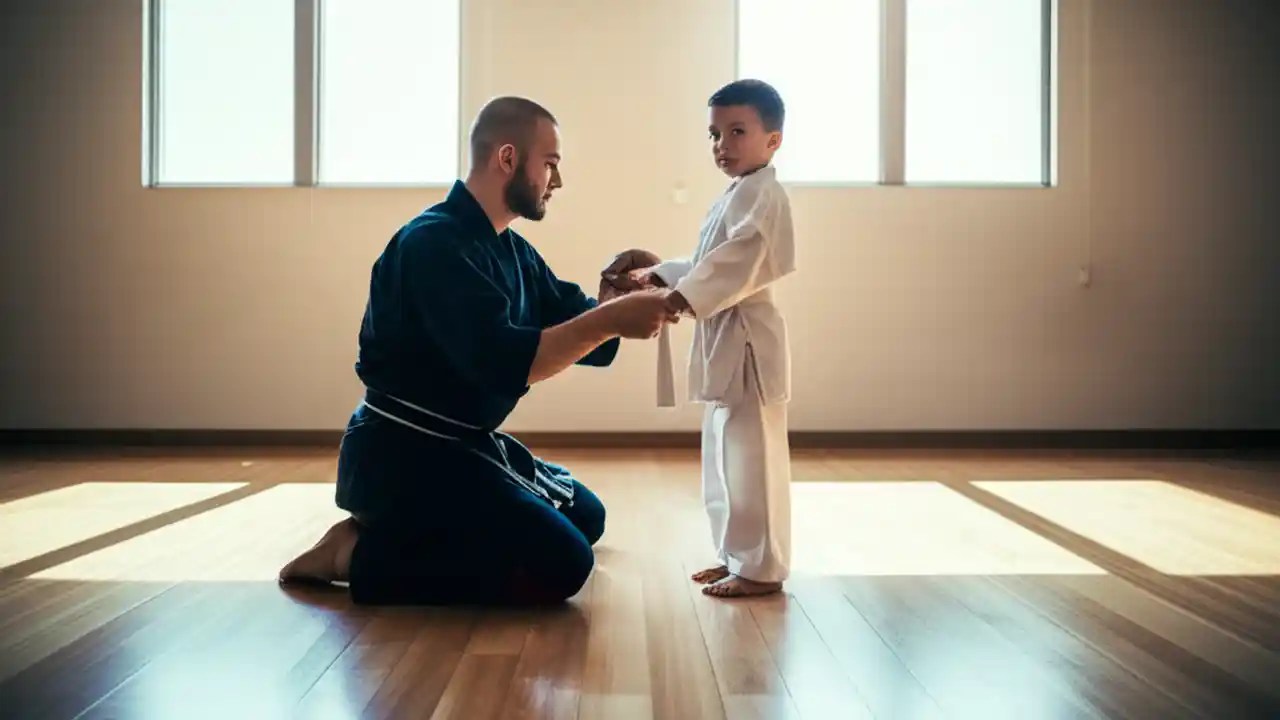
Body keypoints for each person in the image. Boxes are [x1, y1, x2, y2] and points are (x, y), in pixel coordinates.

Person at [279, 96, 679, 605]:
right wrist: (610, 319)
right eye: (550, 164)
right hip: (404, 458)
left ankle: (457, 519)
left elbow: (573, 325)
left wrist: (614, 298)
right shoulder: (433, 245)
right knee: (563, 564)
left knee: (588, 517)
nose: (557, 182)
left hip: (464, 446)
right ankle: (355, 554)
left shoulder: (509, 247)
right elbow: (513, 362)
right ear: (508, 158)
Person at [604, 79, 796, 598]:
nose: (722, 145)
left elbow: (741, 264)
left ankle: (761, 568)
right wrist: (661, 276)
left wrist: (679, 299)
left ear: (772, 140)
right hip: (723, 338)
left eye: (737, 131)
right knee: (723, 456)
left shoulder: (765, 195)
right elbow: (710, 263)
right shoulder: (736, 194)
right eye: (714, 134)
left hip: (749, 346)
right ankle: (735, 554)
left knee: (751, 458)